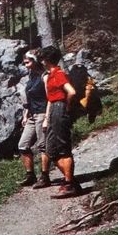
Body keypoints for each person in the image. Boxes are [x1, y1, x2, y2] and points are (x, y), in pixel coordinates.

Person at [38, 45, 83, 198]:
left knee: (63, 147)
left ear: (46, 60)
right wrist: (47, 117)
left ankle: (69, 184)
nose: (41, 61)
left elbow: (71, 92)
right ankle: (72, 182)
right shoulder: (51, 75)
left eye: (42, 58)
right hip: (53, 109)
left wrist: (67, 106)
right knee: (51, 150)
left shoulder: (58, 73)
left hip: (59, 108)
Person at [18, 51, 49, 187]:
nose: (26, 65)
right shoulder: (31, 76)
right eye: (25, 63)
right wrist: (25, 114)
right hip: (31, 114)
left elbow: (50, 97)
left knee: (43, 146)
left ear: (35, 61)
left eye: (28, 62)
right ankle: (30, 175)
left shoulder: (44, 76)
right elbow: (29, 98)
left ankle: (45, 176)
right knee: (23, 145)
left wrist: (47, 117)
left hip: (42, 113)